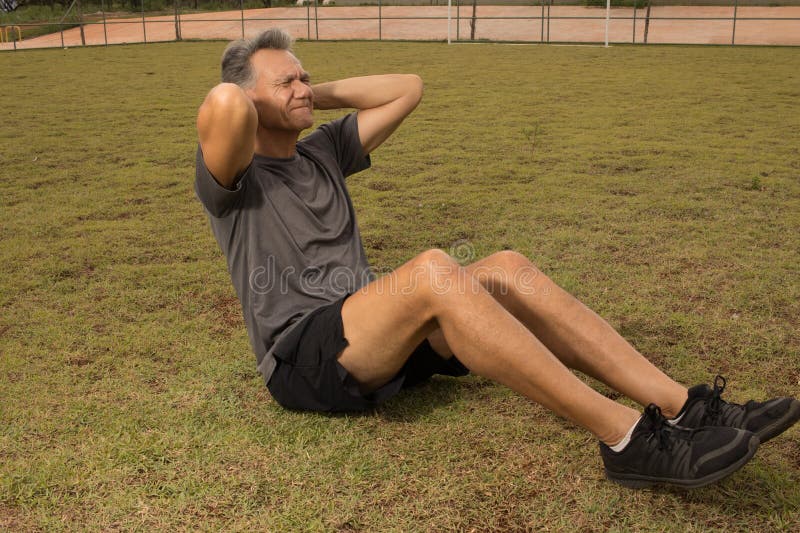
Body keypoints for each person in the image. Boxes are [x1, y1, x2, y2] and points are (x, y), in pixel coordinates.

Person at [194, 28, 799, 489]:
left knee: (504, 266)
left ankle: (683, 405)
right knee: (436, 267)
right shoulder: (234, 177)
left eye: (305, 78)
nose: (303, 87)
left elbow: (408, 88)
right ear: (251, 103)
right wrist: (260, 99)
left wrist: (300, 97)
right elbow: (223, 104)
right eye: (285, 83)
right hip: (304, 357)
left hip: (373, 336)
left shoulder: (322, 149)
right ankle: (626, 439)